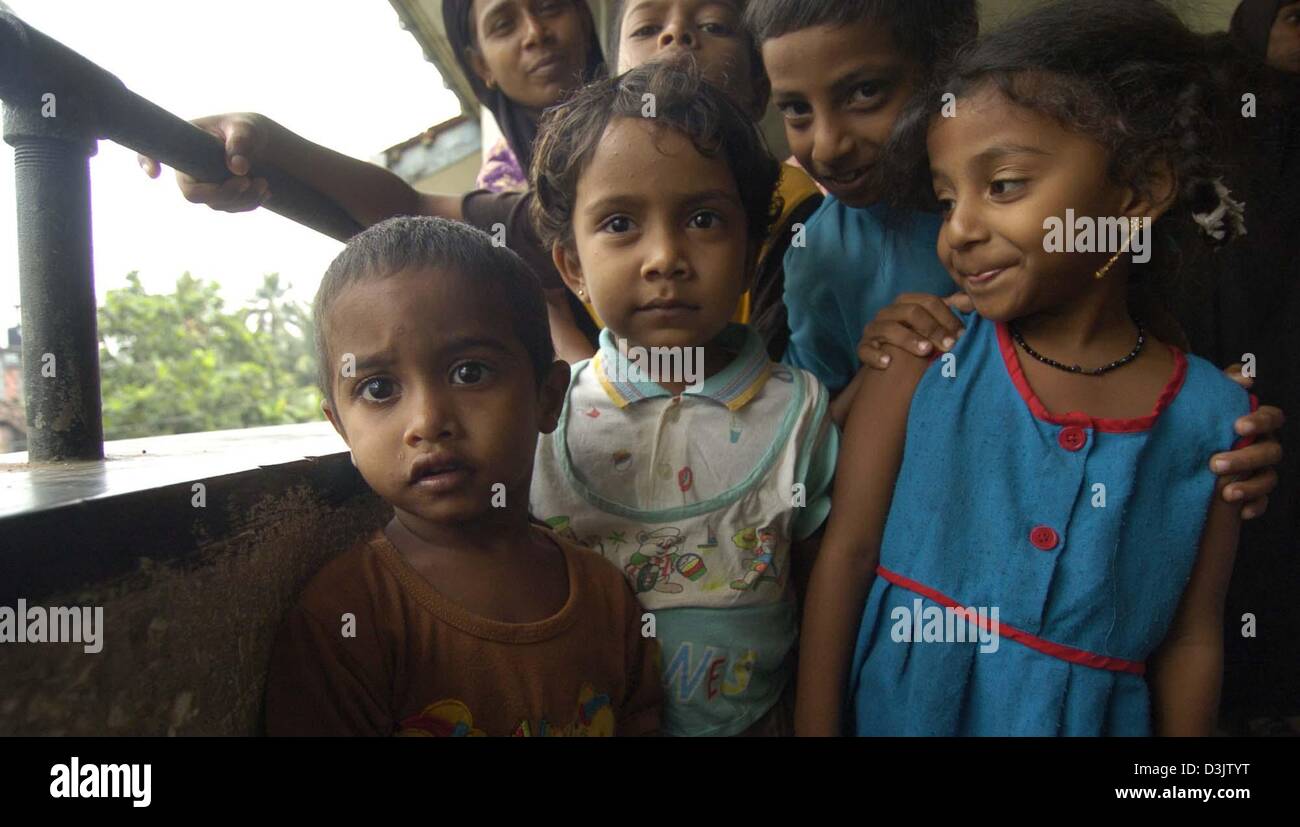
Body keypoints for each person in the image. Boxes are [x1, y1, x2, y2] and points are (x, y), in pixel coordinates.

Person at [798, 0, 1259, 737]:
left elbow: (1192, 636)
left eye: (1004, 185)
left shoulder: (1212, 417)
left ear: (1138, 191)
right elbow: (845, 557)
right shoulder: (926, 355)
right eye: (947, 198)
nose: (961, 229)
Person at [527, 61, 838, 736]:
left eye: (703, 218)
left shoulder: (797, 412)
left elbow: (821, 600)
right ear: (572, 266)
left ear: (753, 248)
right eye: (619, 223)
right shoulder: (543, 423)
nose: (664, 256)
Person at [265, 216, 662, 736]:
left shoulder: (607, 598)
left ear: (547, 396)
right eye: (380, 389)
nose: (428, 422)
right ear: (341, 427)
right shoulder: (348, 619)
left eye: (469, 373)